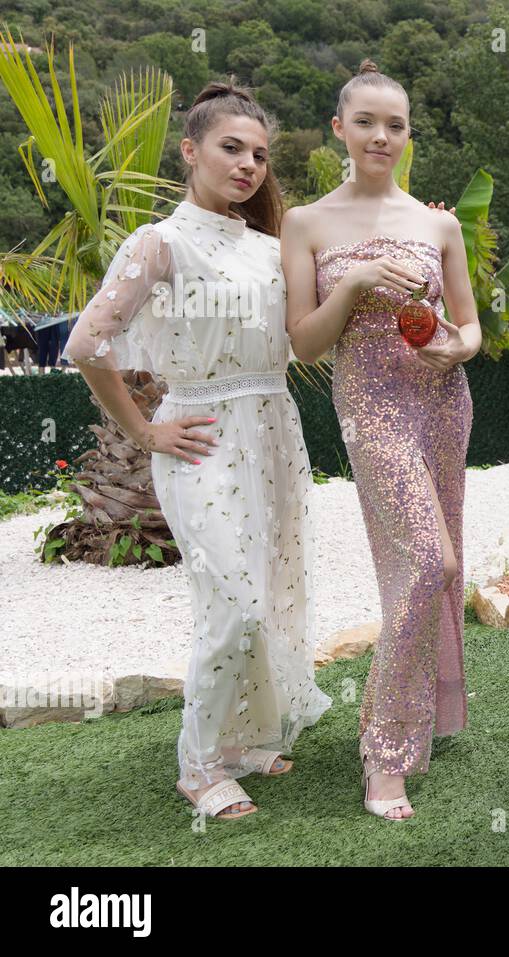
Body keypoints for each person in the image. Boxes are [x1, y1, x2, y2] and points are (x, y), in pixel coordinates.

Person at [61, 82, 331, 821]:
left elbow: (332, 298)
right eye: (231, 148)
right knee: (234, 605)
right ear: (191, 151)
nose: (249, 165)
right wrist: (145, 432)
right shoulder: (160, 243)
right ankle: (198, 763)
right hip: (200, 437)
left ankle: (246, 739)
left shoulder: (274, 248)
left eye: (260, 155)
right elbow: (87, 343)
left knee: (269, 590)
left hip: (273, 429)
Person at [280, 58, 480, 821]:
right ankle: (382, 748)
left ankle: (424, 716)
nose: (381, 135)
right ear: (339, 128)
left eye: (394, 124)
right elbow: (303, 341)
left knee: (432, 566)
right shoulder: (307, 223)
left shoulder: (438, 223)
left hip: (442, 402)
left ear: (407, 135)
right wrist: (357, 285)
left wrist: (458, 348)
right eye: (366, 121)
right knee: (429, 561)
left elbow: (470, 324)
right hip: (371, 408)